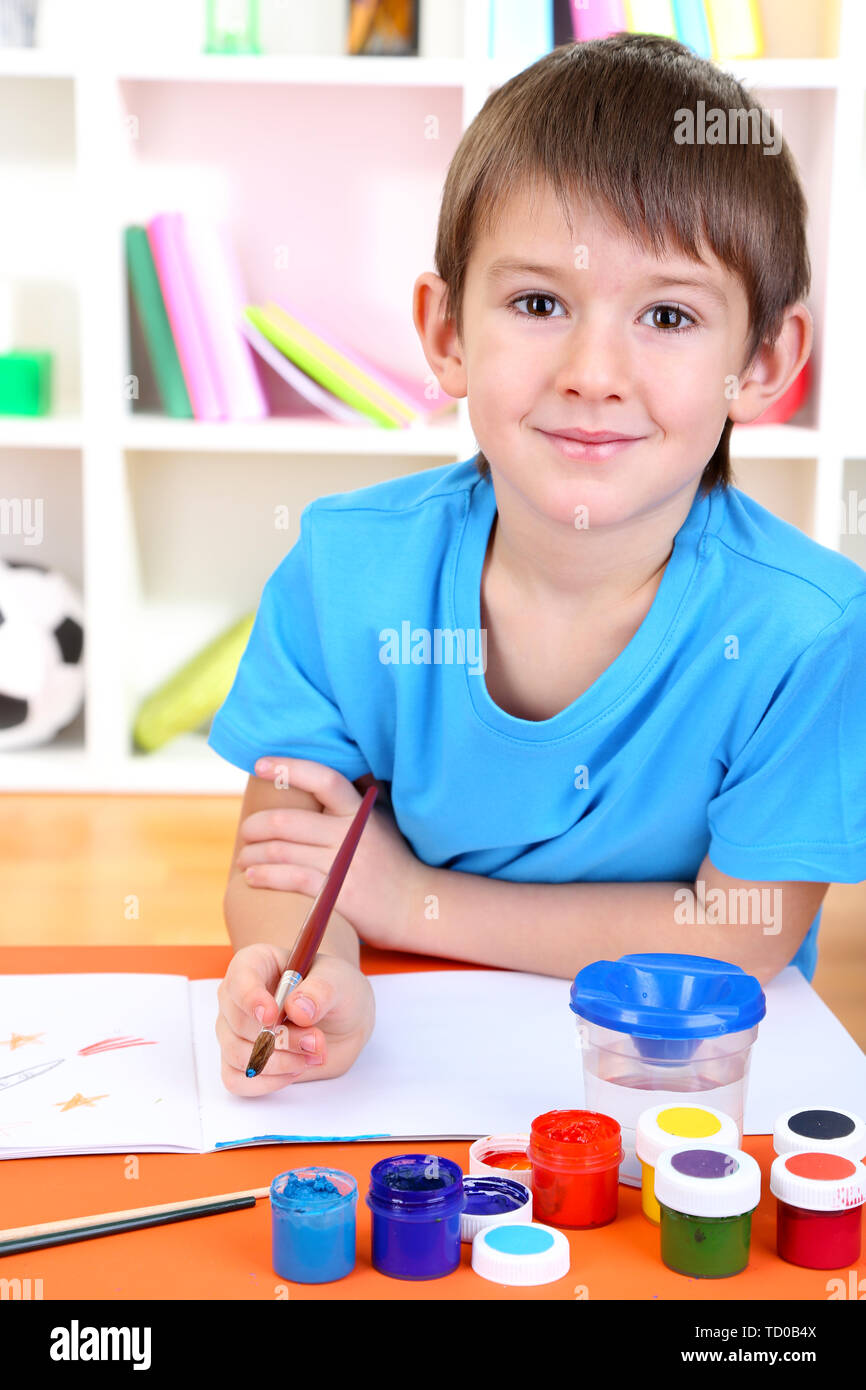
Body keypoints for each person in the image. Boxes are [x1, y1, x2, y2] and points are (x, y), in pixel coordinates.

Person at [208, 35, 866, 1096]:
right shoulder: (348, 568)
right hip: (409, 1061)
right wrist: (313, 969)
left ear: (763, 363)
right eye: (536, 304)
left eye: (666, 315)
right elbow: (286, 855)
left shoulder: (810, 629)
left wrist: (409, 899)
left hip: (675, 1082)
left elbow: (738, 934)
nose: (592, 374)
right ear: (445, 330)